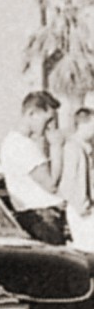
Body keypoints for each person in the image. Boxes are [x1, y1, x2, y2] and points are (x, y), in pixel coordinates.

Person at [0, 90, 68, 245]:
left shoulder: (15, 142)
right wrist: (56, 147)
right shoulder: (22, 145)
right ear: (32, 114)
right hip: (43, 218)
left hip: (37, 216)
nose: (50, 126)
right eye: (48, 120)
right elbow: (50, 184)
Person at [59, 107, 94, 251]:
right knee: (87, 248)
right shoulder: (73, 148)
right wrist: (82, 205)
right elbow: (71, 179)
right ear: (83, 124)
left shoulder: (85, 148)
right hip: (81, 208)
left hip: (86, 206)